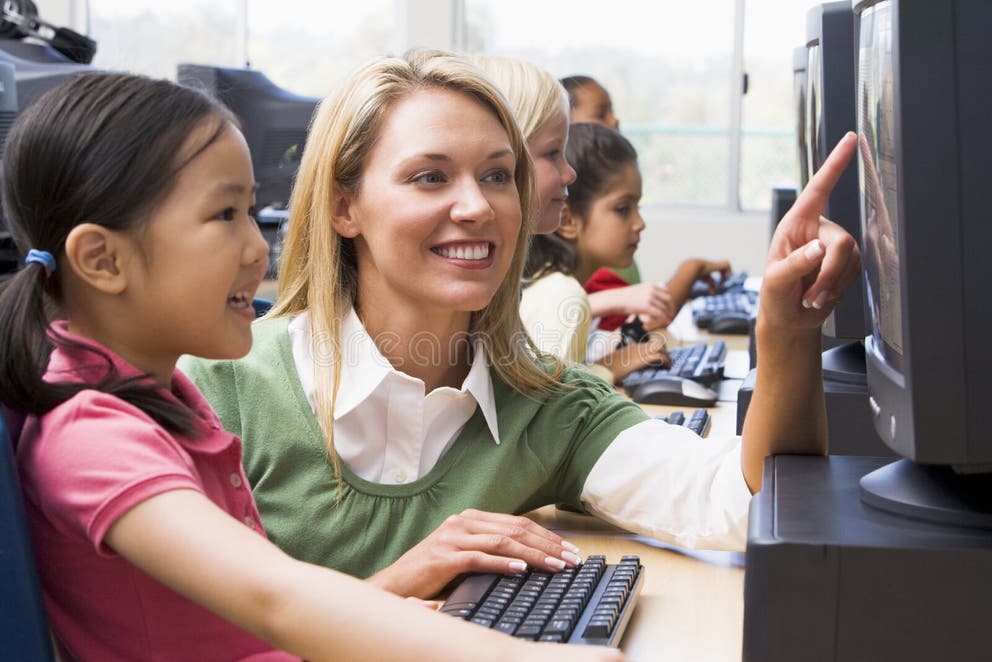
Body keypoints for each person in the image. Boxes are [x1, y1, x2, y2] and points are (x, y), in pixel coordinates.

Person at [182, 48, 861, 602]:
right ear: (343, 209)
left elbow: (749, 506)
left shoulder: (548, 408)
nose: (477, 206)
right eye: (429, 177)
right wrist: (400, 584)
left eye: (499, 176)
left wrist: (788, 333)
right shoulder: (222, 388)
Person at [0, 71, 626, 662]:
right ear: (102, 261)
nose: (255, 247)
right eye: (225, 216)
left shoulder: (160, 397)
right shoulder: (93, 437)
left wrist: (402, 582)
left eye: (252, 211)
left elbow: (251, 633)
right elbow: (273, 600)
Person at [520, 122, 735, 379]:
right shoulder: (562, 296)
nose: (639, 223)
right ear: (568, 221)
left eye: (638, 207)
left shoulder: (552, 285)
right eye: (623, 209)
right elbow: (550, 411)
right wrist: (607, 369)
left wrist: (607, 363)